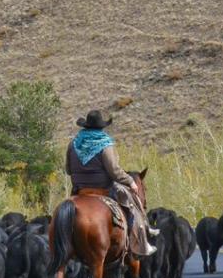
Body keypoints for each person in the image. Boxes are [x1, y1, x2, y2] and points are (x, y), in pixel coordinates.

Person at [65, 110, 157, 256]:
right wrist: (130, 181)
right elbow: (114, 171)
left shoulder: (73, 144)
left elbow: (68, 170)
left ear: (86, 127)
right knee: (132, 204)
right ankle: (142, 241)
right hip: (103, 189)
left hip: (79, 190)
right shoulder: (105, 144)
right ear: (101, 127)